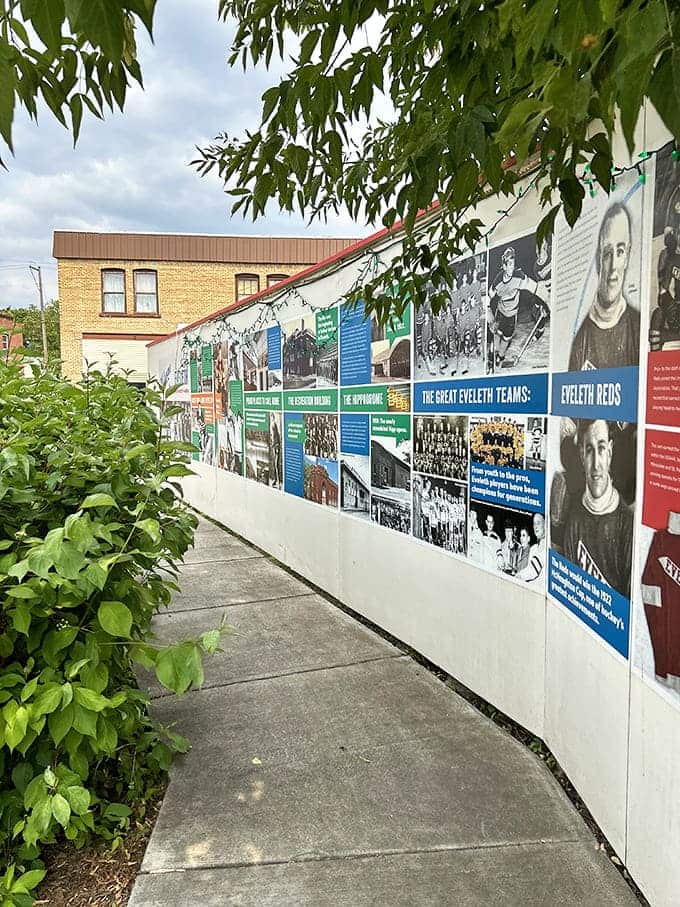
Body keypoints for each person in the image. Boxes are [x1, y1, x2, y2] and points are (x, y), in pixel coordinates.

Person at [563, 420, 633, 598]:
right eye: (589, 450)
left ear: (610, 451)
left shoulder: (626, 525)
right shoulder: (574, 513)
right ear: (581, 456)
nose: (595, 465)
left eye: (601, 448)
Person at [568, 203, 640, 371]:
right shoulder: (580, 340)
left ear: (627, 257)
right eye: (607, 253)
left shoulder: (638, 328)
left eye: (620, 252)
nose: (613, 265)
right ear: (598, 259)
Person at [488, 246, 550, 369]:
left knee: (506, 338)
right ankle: (493, 353)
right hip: (500, 311)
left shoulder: (519, 276)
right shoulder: (498, 280)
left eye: (513, 264)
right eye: (509, 264)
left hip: (512, 315)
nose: (512, 267)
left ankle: (500, 356)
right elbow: (488, 296)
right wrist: (488, 310)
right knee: (496, 333)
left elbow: (536, 288)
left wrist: (547, 301)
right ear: (504, 266)